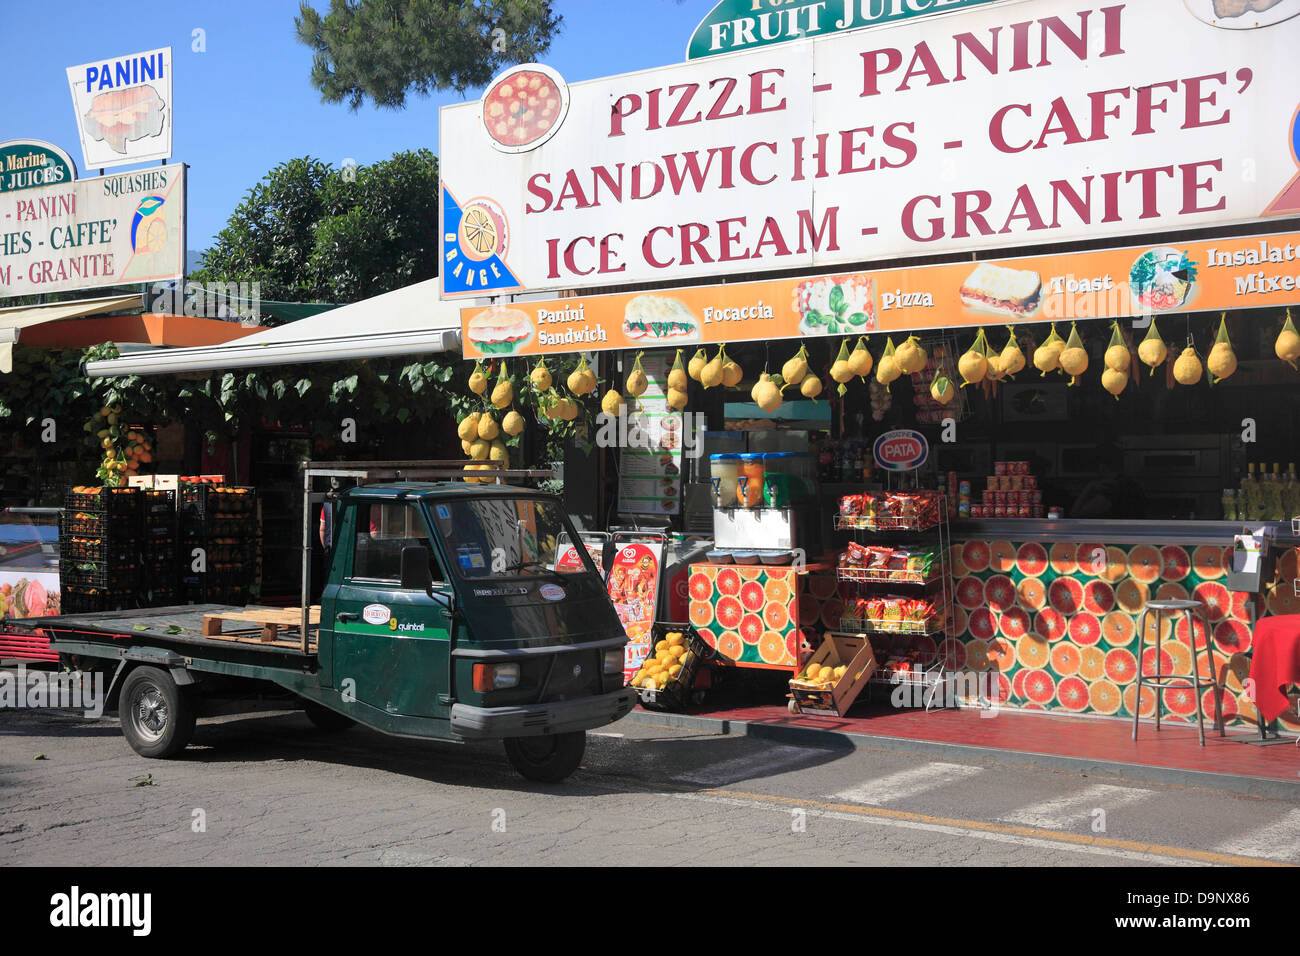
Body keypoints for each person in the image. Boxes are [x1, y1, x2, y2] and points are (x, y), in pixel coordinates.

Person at [1070, 445, 1146, 518]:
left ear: (1102, 465)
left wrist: (1089, 486)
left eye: (1096, 463)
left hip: (1118, 530)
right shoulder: (1132, 484)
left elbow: (1075, 514)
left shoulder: (1111, 488)